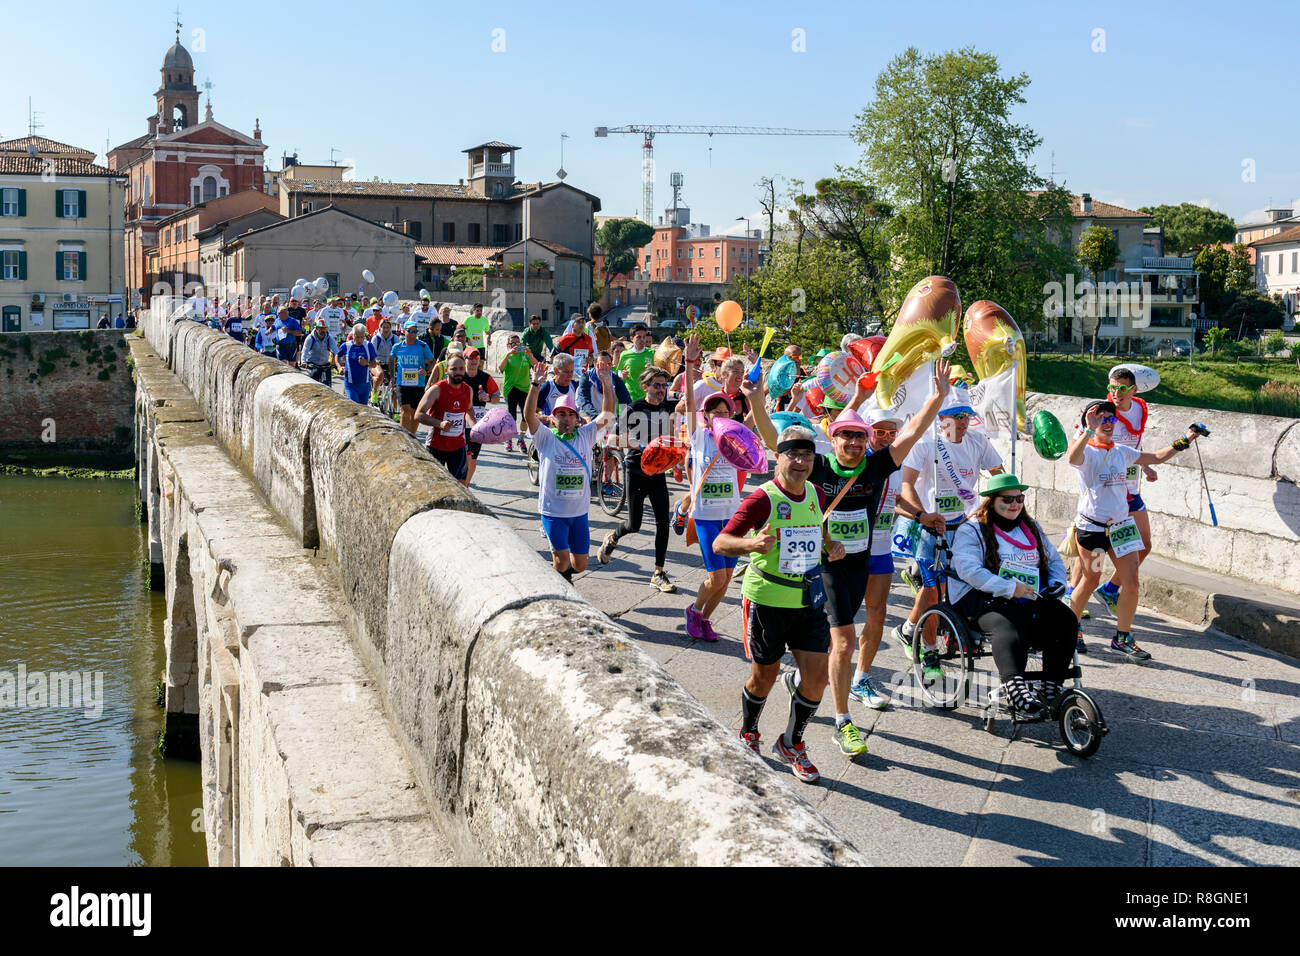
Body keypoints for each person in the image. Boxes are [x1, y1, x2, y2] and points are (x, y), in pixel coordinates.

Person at [803, 371, 948, 756]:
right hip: (831, 558)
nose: (880, 436)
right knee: (842, 637)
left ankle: (847, 678)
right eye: (876, 430)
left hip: (872, 552)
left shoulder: (880, 465)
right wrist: (858, 396)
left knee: (871, 619)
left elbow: (913, 433)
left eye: (885, 432)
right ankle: (840, 716)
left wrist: (939, 396)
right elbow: (835, 429)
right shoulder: (835, 460)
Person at [712, 424, 843, 784]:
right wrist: (751, 546)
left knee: (817, 678)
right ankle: (749, 731)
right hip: (767, 599)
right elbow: (721, 544)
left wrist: (830, 545)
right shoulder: (763, 499)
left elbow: (817, 529)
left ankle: (791, 743)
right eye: (793, 454)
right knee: (764, 676)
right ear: (778, 457)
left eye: (807, 455)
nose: (800, 462)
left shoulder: (816, 492)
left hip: (808, 599)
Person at [1067, 400, 1204, 662]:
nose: (1107, 422)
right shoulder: (1088, 452)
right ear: (1090, 422)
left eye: (1111, 418)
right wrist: (1087, 429)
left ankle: (1123, 637)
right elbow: (1073, 457)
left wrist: (1186, 439)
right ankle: (1071, 628)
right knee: (1090, 580)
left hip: (1122, 528)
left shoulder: (1122, 451)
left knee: (1132, 583)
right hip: (1093, 529)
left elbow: (1156, 457)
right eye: (1101, 418)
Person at [894, 383, 1004, 682]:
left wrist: (1002, 502)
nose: (964, 422)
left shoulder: (978, 441)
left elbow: (999, 476)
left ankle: (910, 629)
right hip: (930, 527)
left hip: (964, 526)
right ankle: (929, 651)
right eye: (957, 416)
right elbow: (905, 485)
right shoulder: (925, 444)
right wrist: (925, 515)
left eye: (967, 416)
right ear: (941, 418)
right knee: (934, 592)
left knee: (966, 583)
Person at [949, 474, 1075, 716]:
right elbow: (969, 570)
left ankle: (1052, 685)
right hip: (981, 595)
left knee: (1066, 619)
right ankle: (1015, 687)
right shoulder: (972, 530)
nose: (1014, 504)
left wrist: (1057, 583)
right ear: (992, 501)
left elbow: (1053, 560)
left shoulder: (1032, 527)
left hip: (1027, 594)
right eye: (1006, 500)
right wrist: (1008, 588)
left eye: (1019, 498)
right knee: (1008, 622)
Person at [679, 334, 777, 641]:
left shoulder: (737, 435)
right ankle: (694, 611)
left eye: (725, 412)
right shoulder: (699, 436)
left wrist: (762, 390)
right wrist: (689, 364)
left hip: (732, 515)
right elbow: (691, 403)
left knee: (725, 580)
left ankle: (704, 619)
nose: (720, 416)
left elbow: (755, 414)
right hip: (707, 514)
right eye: (714, 413)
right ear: (706, 417)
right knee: (716, 575)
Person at [1070, 368, 1157, 622]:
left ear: (1134, 390)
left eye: (1121, 388)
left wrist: (1146, 465)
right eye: (1112, 387)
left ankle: (1109, 590)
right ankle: (1073, 596)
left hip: (1129, 487)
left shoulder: (1139, 410)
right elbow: (1077, 454)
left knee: (1145, 544)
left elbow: (1134, 446)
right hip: (1102, 493)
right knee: (1090, 552)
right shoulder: (1099, 414)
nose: (1115, 393)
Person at [522, 359, 616, 582]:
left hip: (579, 513)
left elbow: (608, 414)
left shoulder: (586, 435)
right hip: (553, 512)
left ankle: (564, 578)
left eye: (570, 414)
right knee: (562, 561)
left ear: (577, 418)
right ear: (553, 418)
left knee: (580, 564)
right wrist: (535, 385)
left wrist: (606, 383)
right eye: (561, 414)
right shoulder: (545, 437)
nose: (566, 418)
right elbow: (528, 417)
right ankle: (562, 585)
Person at [597, 365, 678, 591]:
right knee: (634, 524)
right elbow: (611, 439)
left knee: (663, 523)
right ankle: (612, 538)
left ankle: (658, 573)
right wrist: (641, 445)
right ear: (645, 387)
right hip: (636, 471)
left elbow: (690, 406)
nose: (661, 389)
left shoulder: (668, 406)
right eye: (657, 385)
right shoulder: (634, 409)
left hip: (659, 472)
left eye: (664, 385)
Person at [416, 353, 475, 486]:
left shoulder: (468, 390)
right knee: (434, 485)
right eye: (454, 369)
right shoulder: (436, 389)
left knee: (461, 485)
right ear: (447, 370)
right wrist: (439, 424)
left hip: (458, 446)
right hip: (436, 446)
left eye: (461, 368)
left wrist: (475, 426)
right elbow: (418, 414)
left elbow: (469, 410)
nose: (458, 372)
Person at [461, 347, 501, 486]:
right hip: (459, 424)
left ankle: (466, 484)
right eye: (470, 358)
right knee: (464, 455)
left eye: (476, 358)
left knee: (472, 458)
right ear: (464, 359)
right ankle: (460, 481)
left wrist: (488, 397)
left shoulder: (485, 378)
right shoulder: (459, 376)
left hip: (478, 424)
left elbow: (497, 396)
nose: (473, 361)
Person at [391, 319, 435, 434]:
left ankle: (412, 436)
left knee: (415, 413)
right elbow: (391, 359)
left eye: (415, 332)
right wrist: (392, 376)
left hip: (418, 384)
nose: (413, 334)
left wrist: (426, 371)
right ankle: (404, 437)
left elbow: (432, 361)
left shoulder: (422, 346)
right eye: (410, 331)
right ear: (404, 332)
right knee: (405, 411)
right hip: (402, 383)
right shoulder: (397, 347)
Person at [498, 332, 535, 452]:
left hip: (524, 388)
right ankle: (508, 440)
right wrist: (508, 354)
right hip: (511, 388)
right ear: (508, 345)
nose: (515, 345)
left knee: (525, 416)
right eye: (513, 343)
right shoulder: (507, 355)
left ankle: (521, 439)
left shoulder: (525, 355)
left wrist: (530, 353)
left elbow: (536, 365)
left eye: (517, 343)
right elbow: (500, 368)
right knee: (511, 416)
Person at [335, 322, 379, 405]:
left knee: (363, 410)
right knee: (355, 407)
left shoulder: (368, 345)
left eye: (362, 337)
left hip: (365, 385)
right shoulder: (346, 345)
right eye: (357, 337)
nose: (359, 340)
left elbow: (374, 364)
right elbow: (337, 356)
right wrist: (339, 367)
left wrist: (366, 363)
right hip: (351, 384)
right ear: (353, 335)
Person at [616, 325, 653, 401]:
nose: (642, 340)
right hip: (629, 395)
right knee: (625, 413)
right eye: (639, 337)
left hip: (647, 396)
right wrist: (621, 375)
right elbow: (619, 371)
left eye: (644, 337)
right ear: (632, 338)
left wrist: (653, 369)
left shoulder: (653, 353)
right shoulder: (625, 354)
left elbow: (661, 372)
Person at [297, 319, 336, 385]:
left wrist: (338, 363)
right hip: (313, 364)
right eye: (320, 328)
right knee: (313, 382)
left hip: (325, 364)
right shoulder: (310, 338)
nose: (323, 331)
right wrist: (303, 361)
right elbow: (305, 350)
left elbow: (336, 350)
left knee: (328, 385)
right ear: (316, 328)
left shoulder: (329, 338)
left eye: (325, 328)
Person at [370, 317, 400, 392]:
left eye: (388, 327)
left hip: (391, 363)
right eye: (384, 327)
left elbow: (399, 353)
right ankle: (374, 394)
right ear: (380, 328)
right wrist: (376, 360)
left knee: (398, 379)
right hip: (377, 363)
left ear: (391, 328)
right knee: (380, 375)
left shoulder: (395, 338)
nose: (386, 330)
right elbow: (371, 354)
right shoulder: (376, 338)